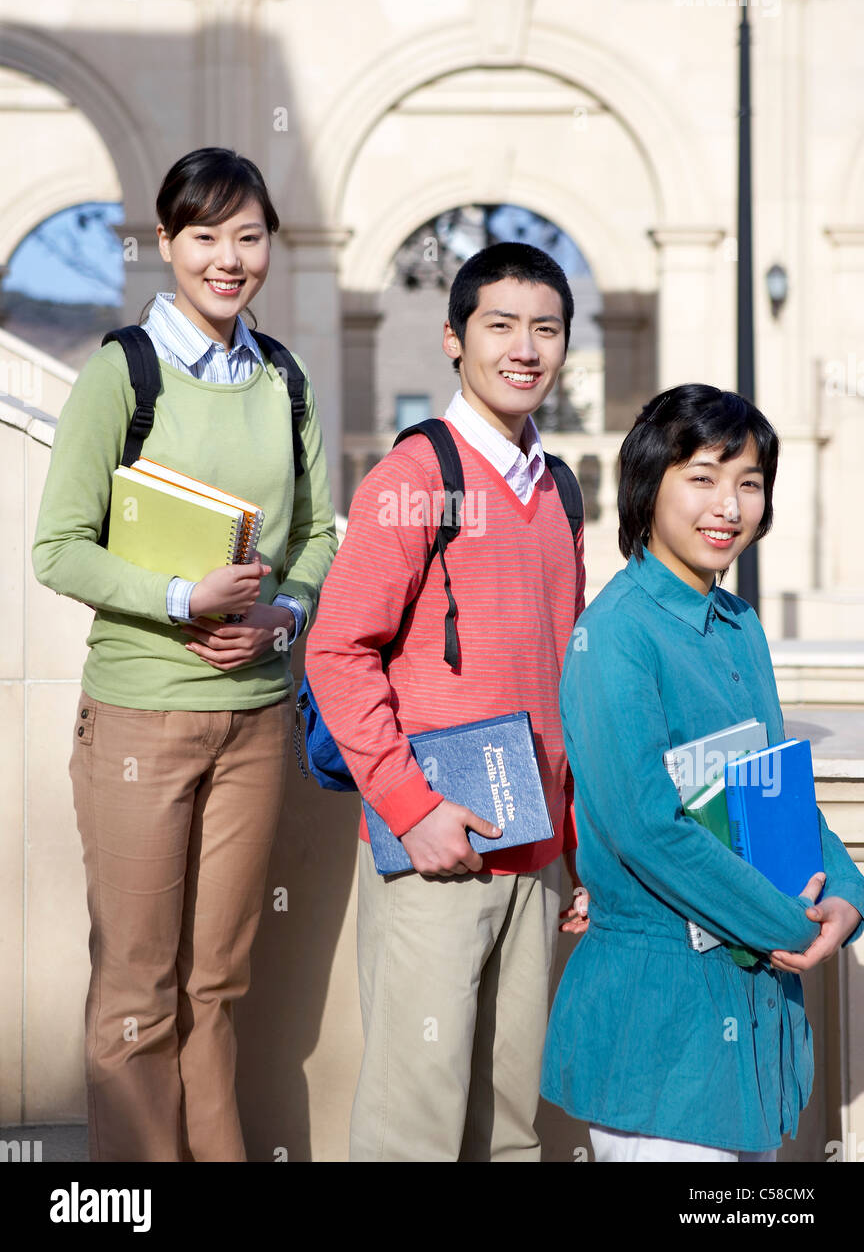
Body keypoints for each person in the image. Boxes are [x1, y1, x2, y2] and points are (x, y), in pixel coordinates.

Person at [32, 146, 337, 1162]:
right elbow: (57, 547)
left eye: (248, 236)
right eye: (205, 234)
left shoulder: (285, 380)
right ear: (165, 242)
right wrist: (180, 597)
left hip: (255, 722)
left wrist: (281, 617)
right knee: (137, 985)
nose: (228, 256)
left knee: (218, 983)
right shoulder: (124, 372)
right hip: (138, 718)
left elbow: (322, 534)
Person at [305, 241, 588, 1162]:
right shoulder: (418, 477)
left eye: (545, 328)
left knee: (509, 1133)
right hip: (437, 847)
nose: (524, 347)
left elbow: (561, 679)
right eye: (500, 325)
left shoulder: (560, 490)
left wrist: (575, 850)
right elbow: (337, 651)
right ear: (454, 339)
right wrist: (414, 808)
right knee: (412, 1131)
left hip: (536, 856)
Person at [541, 384, 864, 1162]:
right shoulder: (614, 637)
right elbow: (648, 831)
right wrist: (789, 925)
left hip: (753, 1027)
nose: (730, 505)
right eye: (704, 477)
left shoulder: (741, 627)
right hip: (660, 1032)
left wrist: (848, 894)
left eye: (749, 483)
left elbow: (777, 787)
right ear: (650, 486)